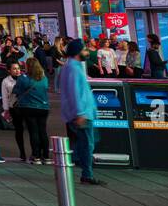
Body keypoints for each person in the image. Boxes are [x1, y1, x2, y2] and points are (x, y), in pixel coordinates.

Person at [59, 38, 105, 186]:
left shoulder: (73, 67)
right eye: (84, 50)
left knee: (86, 143)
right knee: (87, 144)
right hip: (81, 113)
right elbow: (74, 92)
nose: (87, 52)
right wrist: (79, 113)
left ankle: (80, 167)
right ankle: (86, 173)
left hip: (83, 112)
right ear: (78, 52)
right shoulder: (72, 68)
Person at [13, 58, 52, 165]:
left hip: (29, 107)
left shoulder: (23, 78)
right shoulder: (44, 78)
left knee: (33, 131)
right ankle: (46, 156)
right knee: (43, 131)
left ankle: (36, 156)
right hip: (44, 107)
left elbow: (16, 90)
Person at [1, 59, 27, 162]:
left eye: (18, 68)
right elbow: (4, 97)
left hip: (26, 107)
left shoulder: (25, 78)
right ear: (9, 70)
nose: (17, 71)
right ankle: (22, 153)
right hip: (14, 108)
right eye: (14, 69)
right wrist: (6, 110)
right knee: (19, 130)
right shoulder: (6, 81)